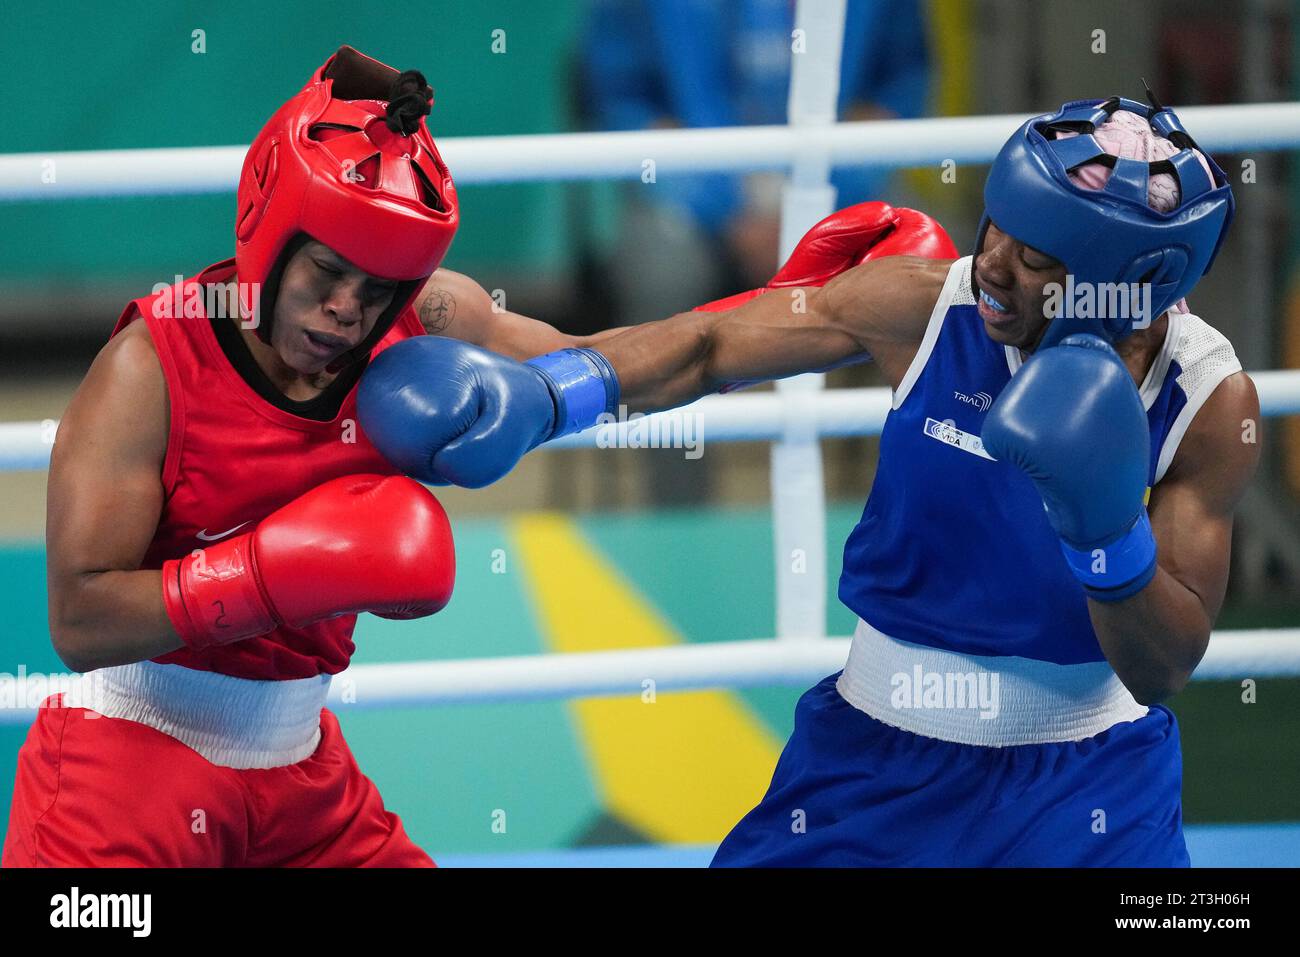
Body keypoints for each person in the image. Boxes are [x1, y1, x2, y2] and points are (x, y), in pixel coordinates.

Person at [356, 95, 1256, 865]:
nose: (992, 265)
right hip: (876, 762)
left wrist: (1105, 532)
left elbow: (1164, 664)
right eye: (997, 230)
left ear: (1128, 285)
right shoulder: (923, 303)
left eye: (1036, 262)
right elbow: (711, 344)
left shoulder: (1205, 398)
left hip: (1089, 783)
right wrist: (548, 396)